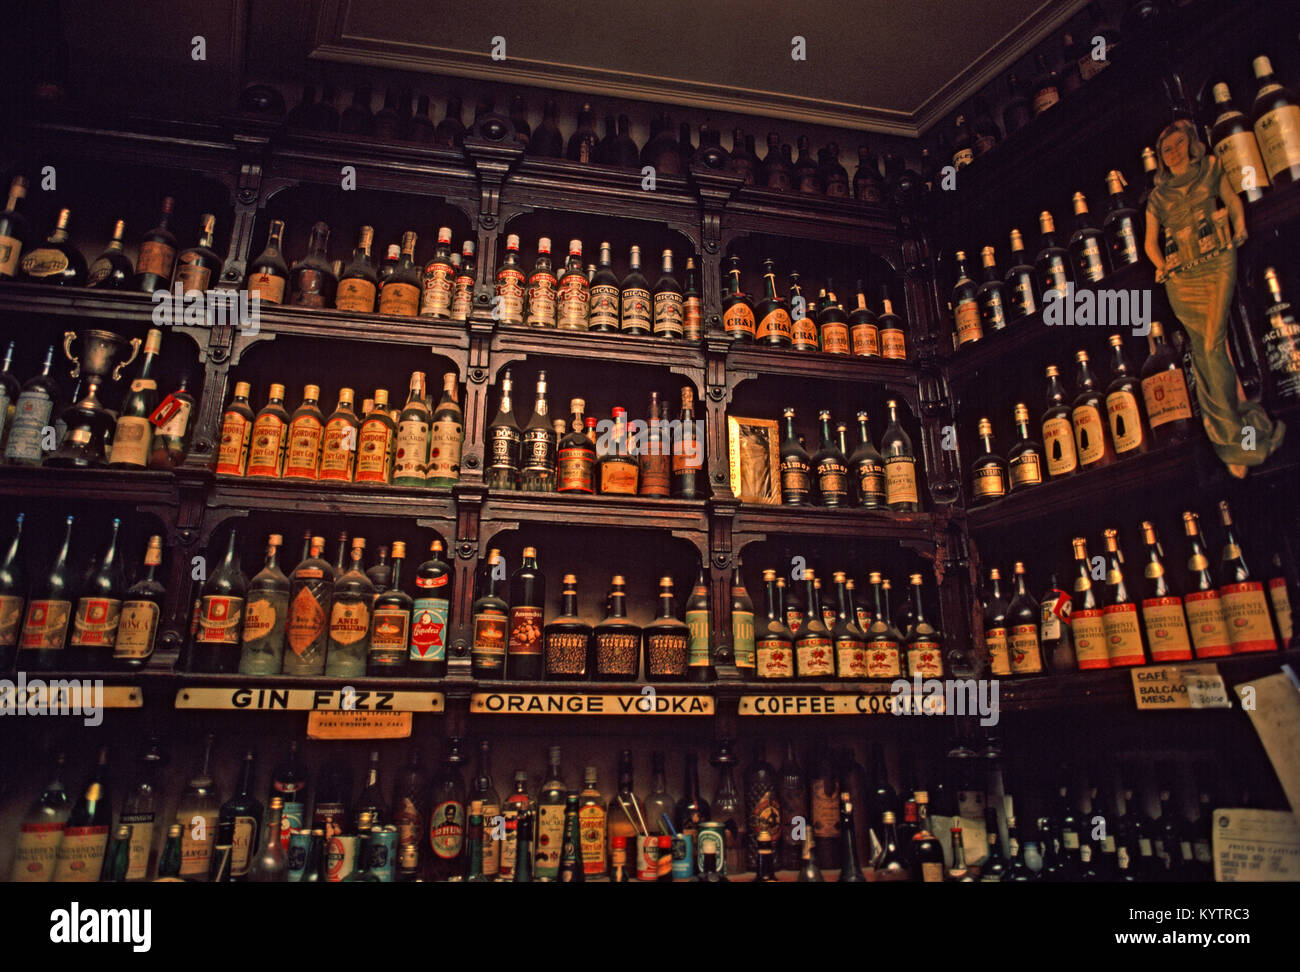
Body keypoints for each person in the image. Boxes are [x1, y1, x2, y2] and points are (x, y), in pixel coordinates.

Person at [1142, 118, 1283, 478]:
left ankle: (1232, 438)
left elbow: (1233, 202)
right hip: (1181, 273)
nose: (1172, 152)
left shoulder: (1212, 170)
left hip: (1217, 258)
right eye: (1165, 149)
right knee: (1208, 347)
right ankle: (1242, 432)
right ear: (1161, 157)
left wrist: (1240, 227)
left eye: (1177, 144)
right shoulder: (1158, 196)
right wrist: (1162, 266)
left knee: (1211, 344)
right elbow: (1149, 242)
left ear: (1190, 144)